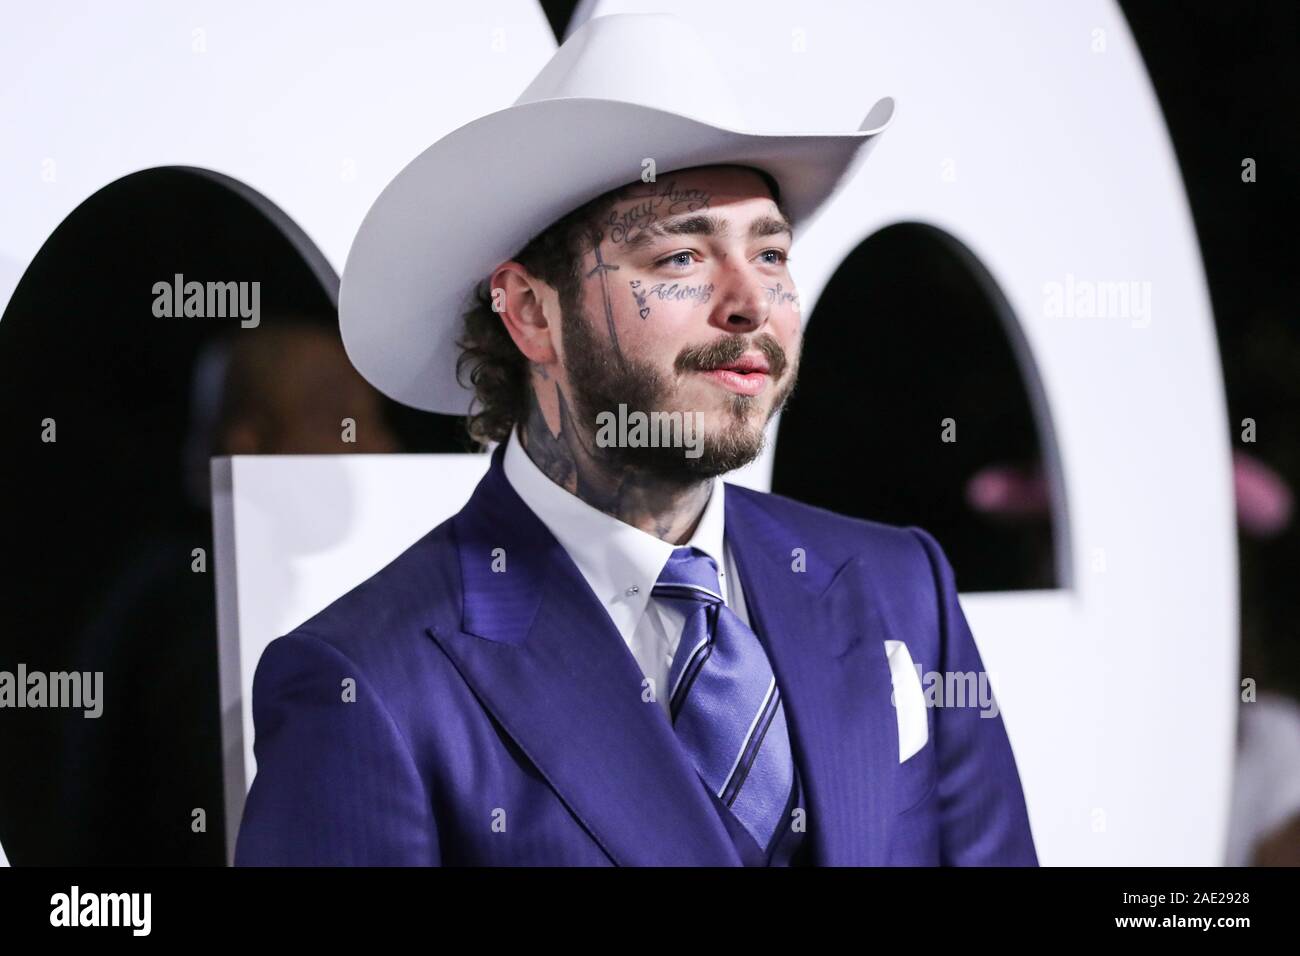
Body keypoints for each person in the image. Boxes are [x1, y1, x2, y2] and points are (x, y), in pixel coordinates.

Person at [234, 13, 1036, 866]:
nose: (750, 303)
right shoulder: (367, 682)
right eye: (682, 257)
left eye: (770, 255)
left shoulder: (901, 589)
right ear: (534, 314)